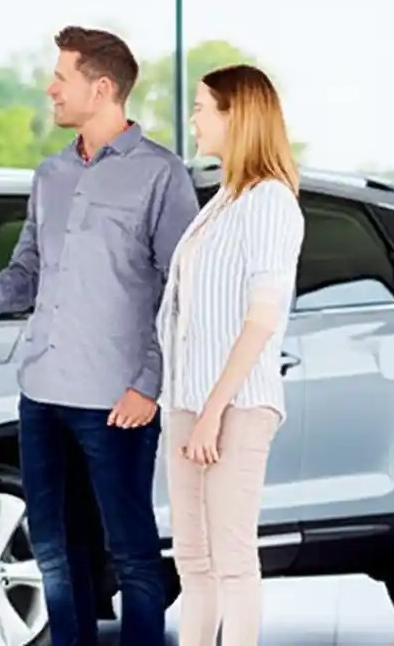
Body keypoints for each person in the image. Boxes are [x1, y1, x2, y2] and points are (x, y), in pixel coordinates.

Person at [0, 26, 200, 645]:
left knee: (131, 554)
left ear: (102, 87)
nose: (50, 88)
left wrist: (148, 385)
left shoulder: (161, 176)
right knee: (54, 552)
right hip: (43, 394)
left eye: (62, 77)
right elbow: (27, 274)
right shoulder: (50, 175)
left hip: (117, 402)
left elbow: (180, 293)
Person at [157, 64, 305, 646]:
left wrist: (215, 410)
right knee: (194, 563)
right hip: (188, 402)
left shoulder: (269, 202)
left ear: (235, 116)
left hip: (236, 406)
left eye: (201, 107)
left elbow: (262, 317)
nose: (192, 118)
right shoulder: (220, 201)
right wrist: (186, 407)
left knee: (233, 558)